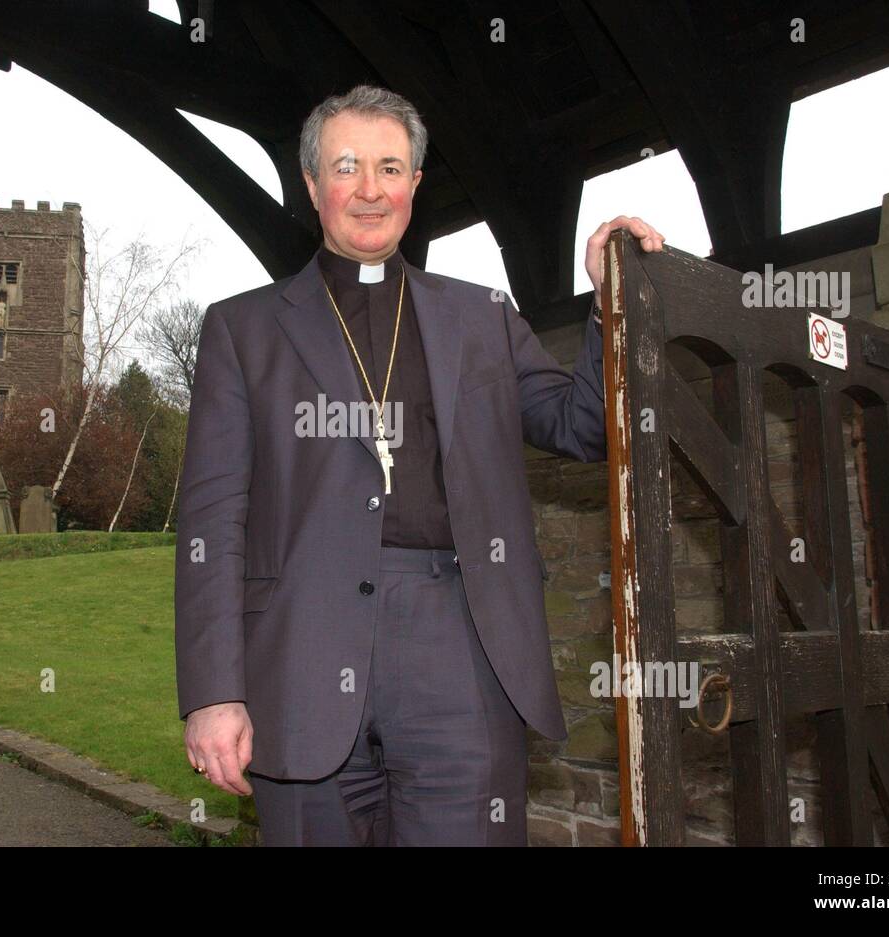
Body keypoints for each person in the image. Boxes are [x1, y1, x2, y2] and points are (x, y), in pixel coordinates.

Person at [175, 83, 665, 845]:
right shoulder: (243, 331)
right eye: (346, 167)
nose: (369, 190)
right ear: (311, 185)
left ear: (415, 185)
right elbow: (211, 522)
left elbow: (584, 427)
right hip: (301, 650)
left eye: (390, 168)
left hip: (458, 643)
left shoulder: (484, 316)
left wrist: (609, 305)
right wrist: (212, 693)